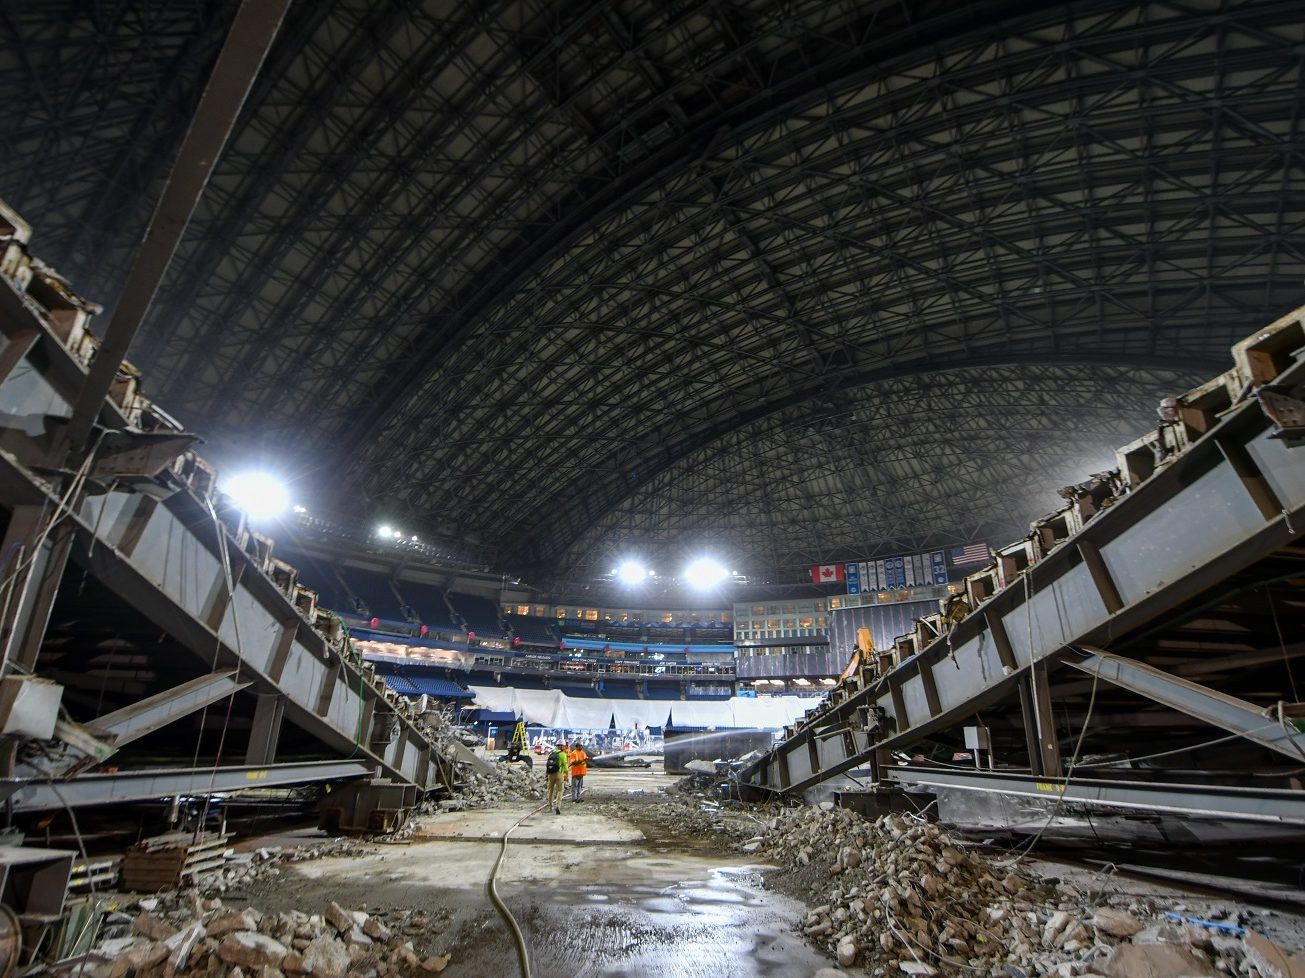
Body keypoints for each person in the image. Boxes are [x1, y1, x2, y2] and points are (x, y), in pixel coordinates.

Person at [545, 741, 569, 814]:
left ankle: (550, 807)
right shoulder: (563, 754)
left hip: (550, 774)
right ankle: (557, 806)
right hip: (559, 774)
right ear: (562, 746)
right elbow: (565, 767)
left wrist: (547, 774)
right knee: (560, 791)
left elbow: (547, 764)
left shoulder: (552, 753)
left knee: (550, 791)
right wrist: (566, 776)